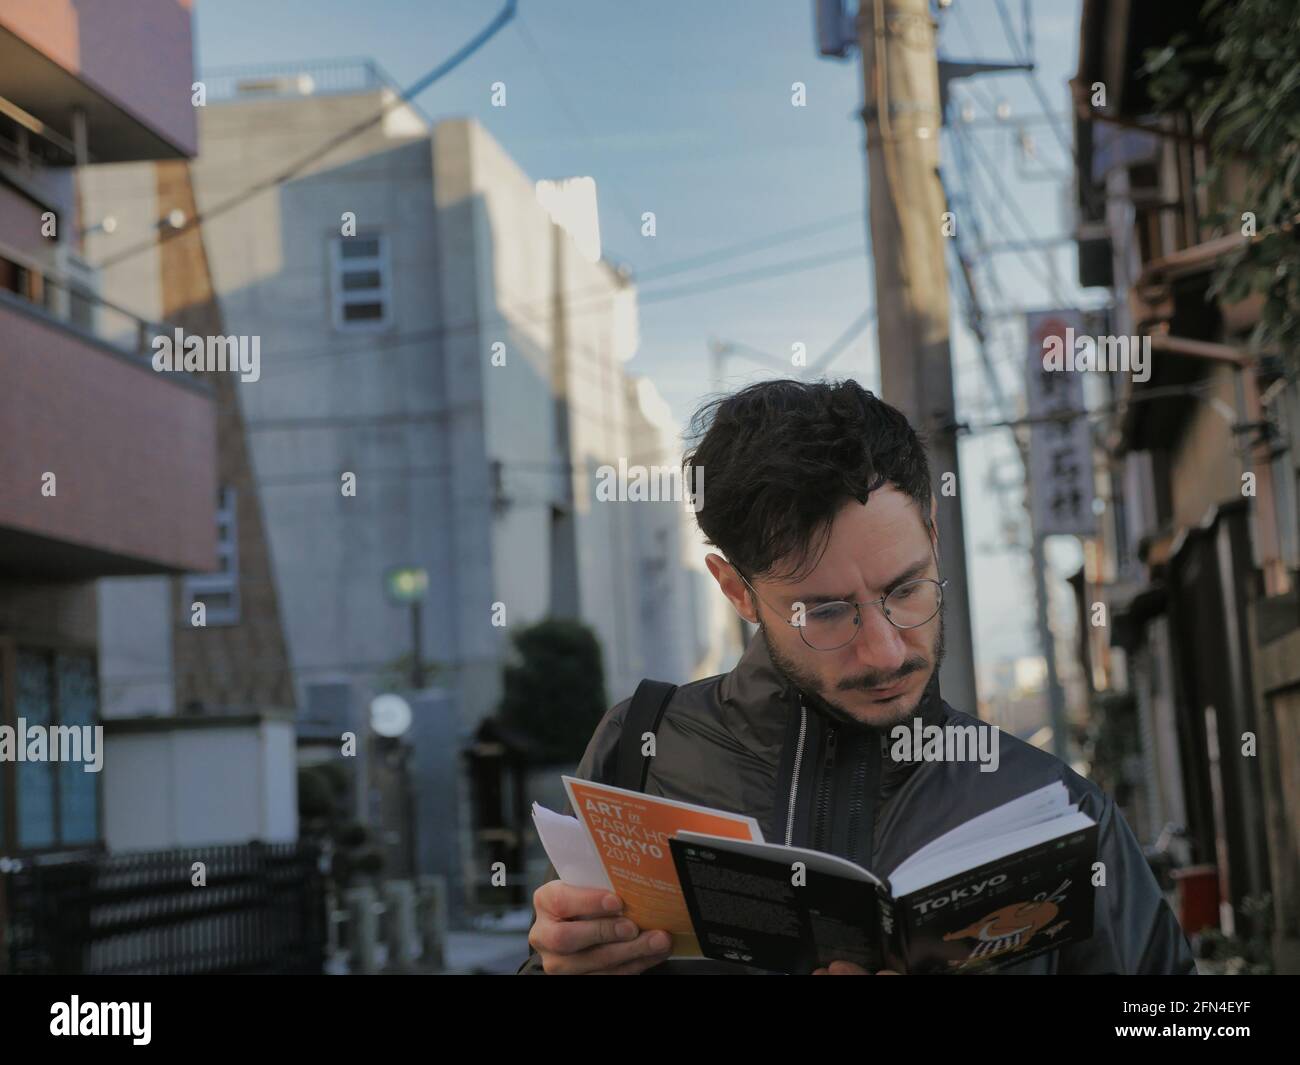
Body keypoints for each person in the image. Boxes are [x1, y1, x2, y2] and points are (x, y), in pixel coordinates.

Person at [519, 378, 1196, 975]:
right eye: (827, 611)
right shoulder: (643, 751)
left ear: (931, 531)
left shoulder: (1056, 814)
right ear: (736, 590)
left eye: (905, 590)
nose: (883, 652)